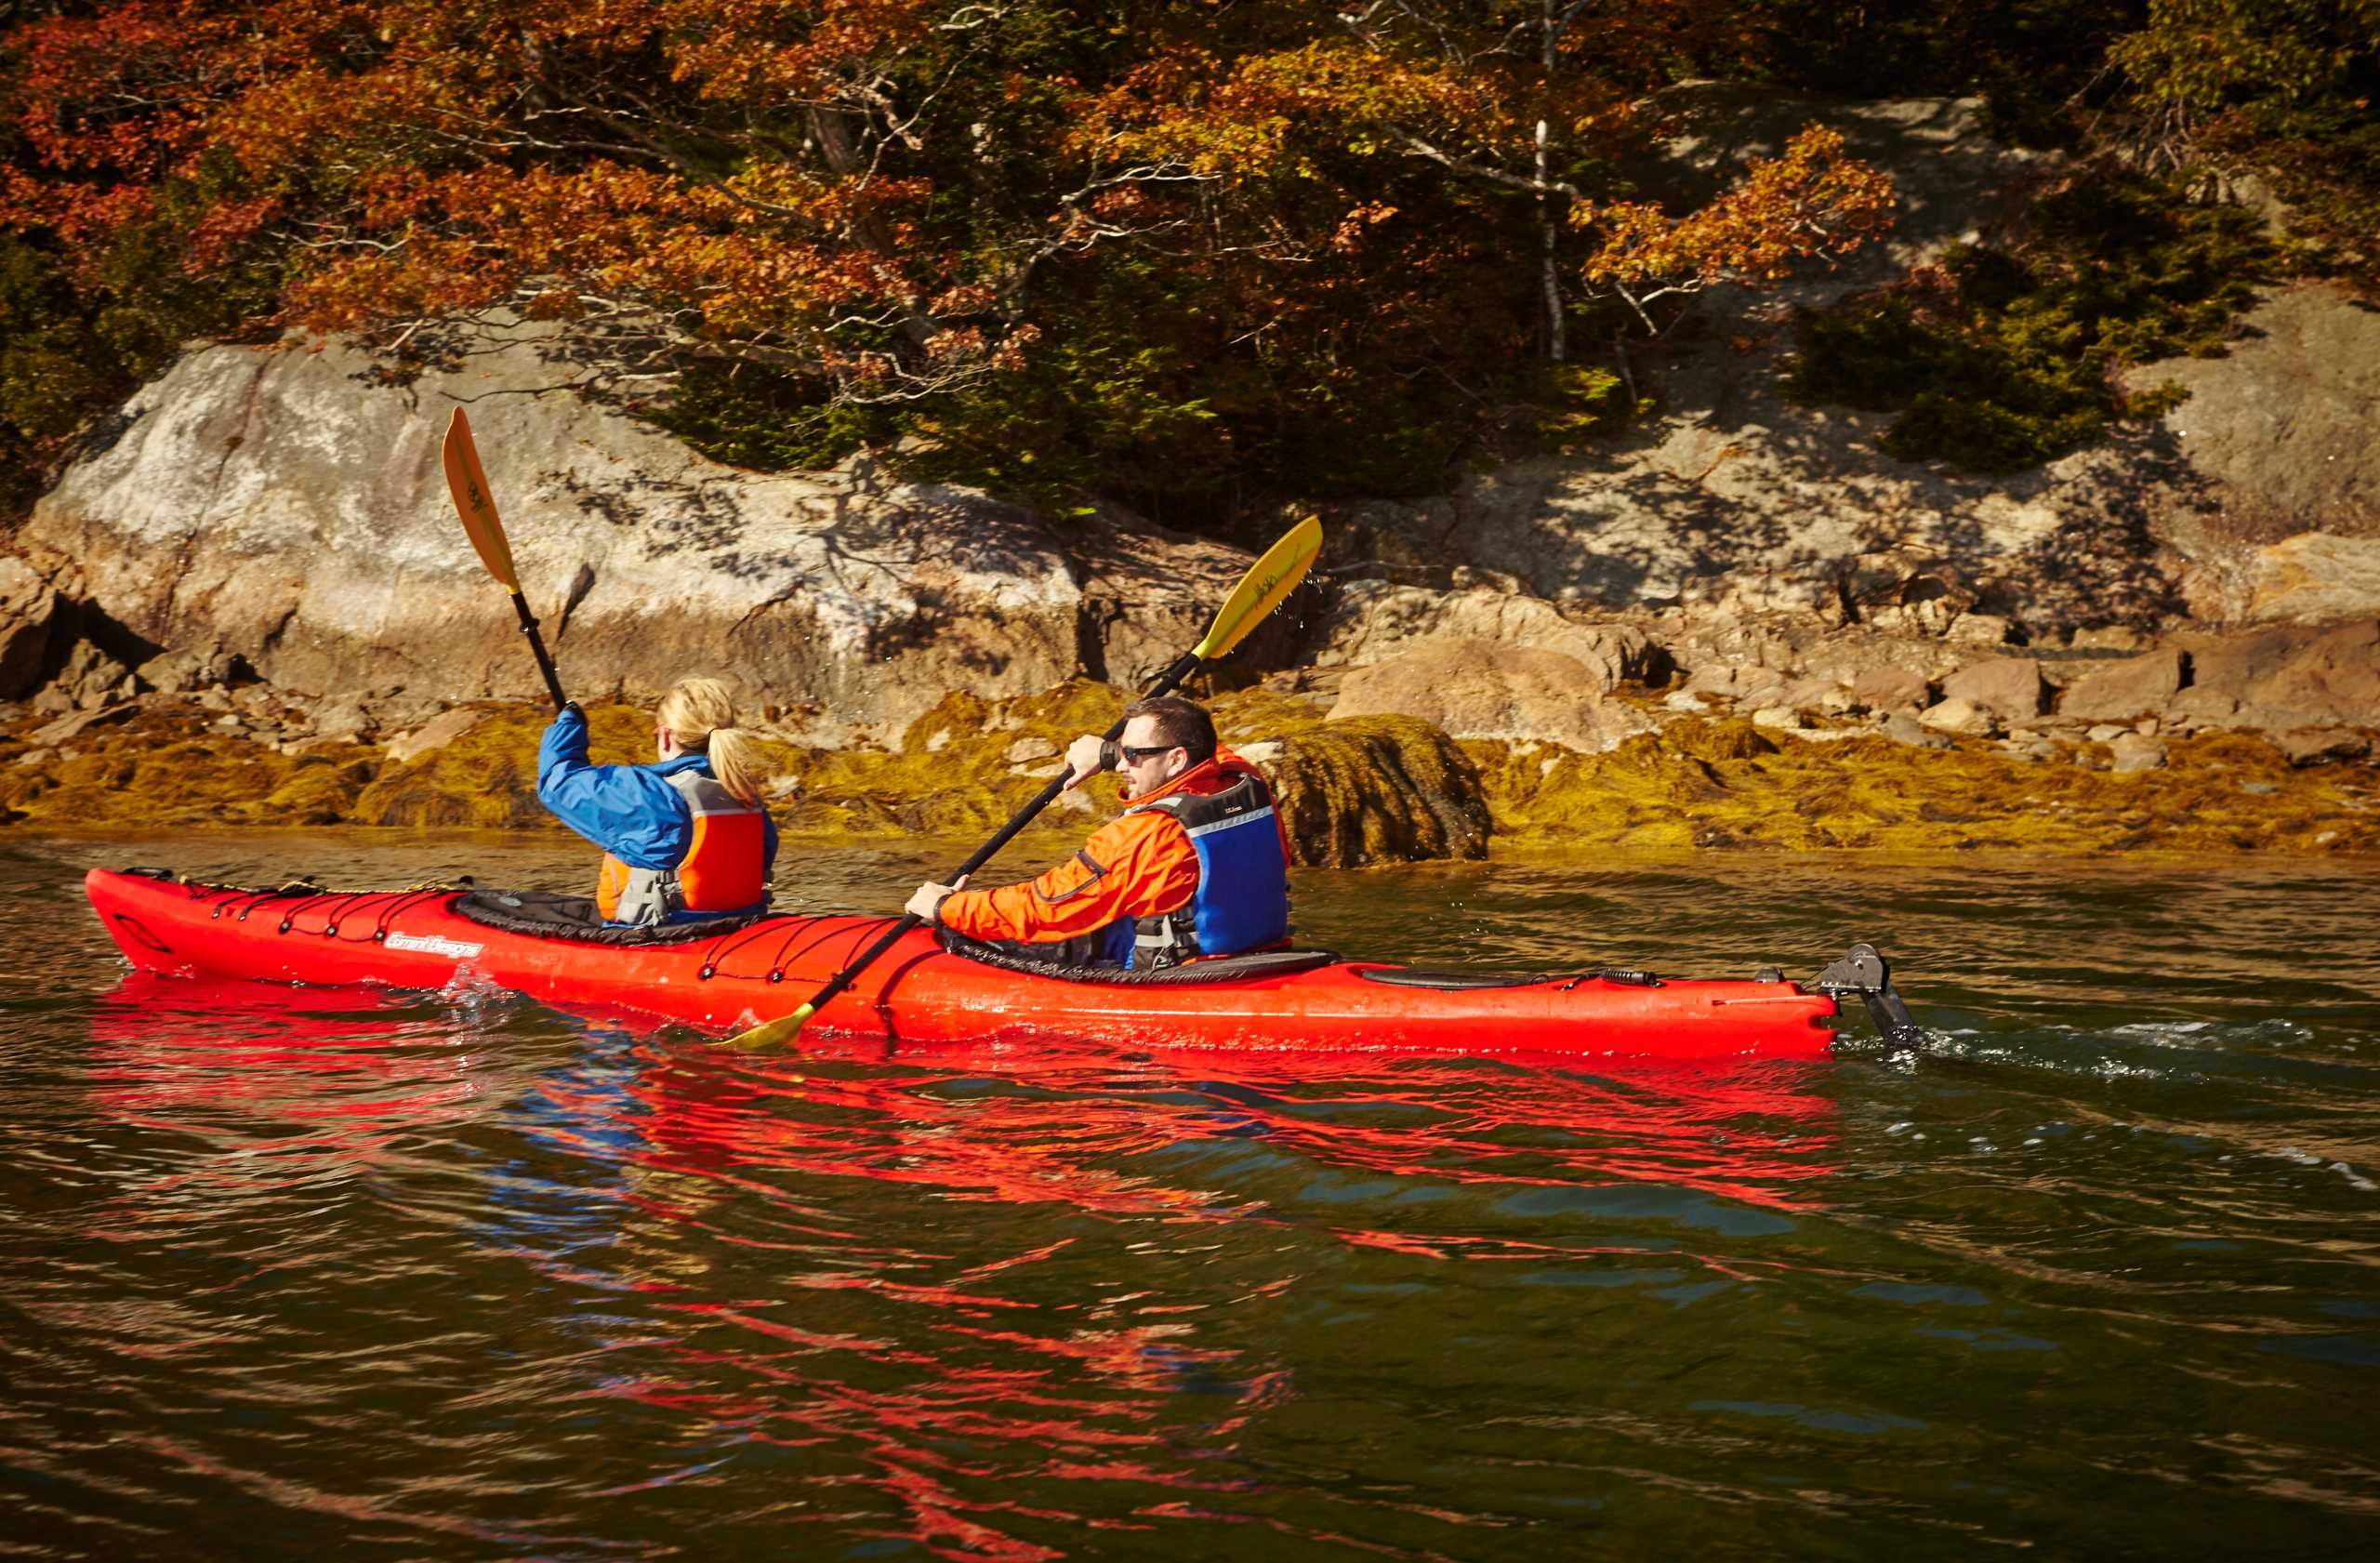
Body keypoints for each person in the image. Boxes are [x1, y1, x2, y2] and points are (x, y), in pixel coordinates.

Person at [904, 695, 1292, 969]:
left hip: (1176, 970)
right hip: (1259, 948)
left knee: (981, 936)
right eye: (1122, 752)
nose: (1123, 765)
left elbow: (1045, 908)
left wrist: (946, 907)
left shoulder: (1145, 836)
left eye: (1133, 755)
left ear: (1176, 759)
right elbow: (1213, 749)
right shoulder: (1247, 780)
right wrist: (1107, 753)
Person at [537, 676, 778, 927]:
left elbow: (558, 784)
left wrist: (568, 726)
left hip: (665, 933)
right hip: (739, 925)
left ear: (664, 735)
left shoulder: (655, 796)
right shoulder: (745, 794)